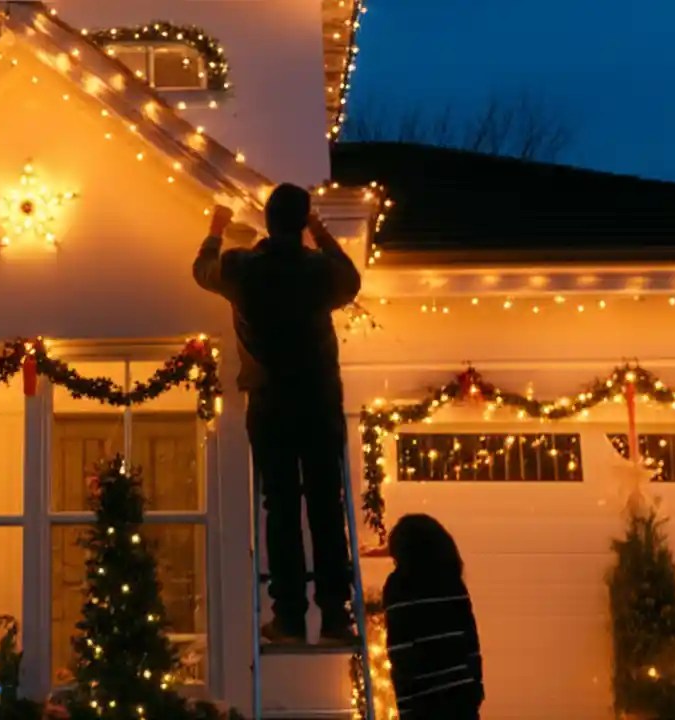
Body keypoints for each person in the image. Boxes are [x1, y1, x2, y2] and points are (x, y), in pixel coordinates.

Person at [192, 183, 362, 644]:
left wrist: (216, 229)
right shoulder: (319, 272)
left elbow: (202, 270)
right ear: (301, 221)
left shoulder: (244, 269)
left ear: (267, 222)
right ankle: (335, 617)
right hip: (320, 401)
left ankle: (288, 617)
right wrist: (321, 232)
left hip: (271, 404)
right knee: (326, 506)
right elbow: (351, 279)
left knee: (282, 507)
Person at [384, 514, 484, 720]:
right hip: (461, 697)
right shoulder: (453, 583)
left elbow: (400, 650)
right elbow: (471, 642)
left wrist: (405, 705)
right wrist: (475, 687)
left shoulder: (399, 586)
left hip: (423, 701)